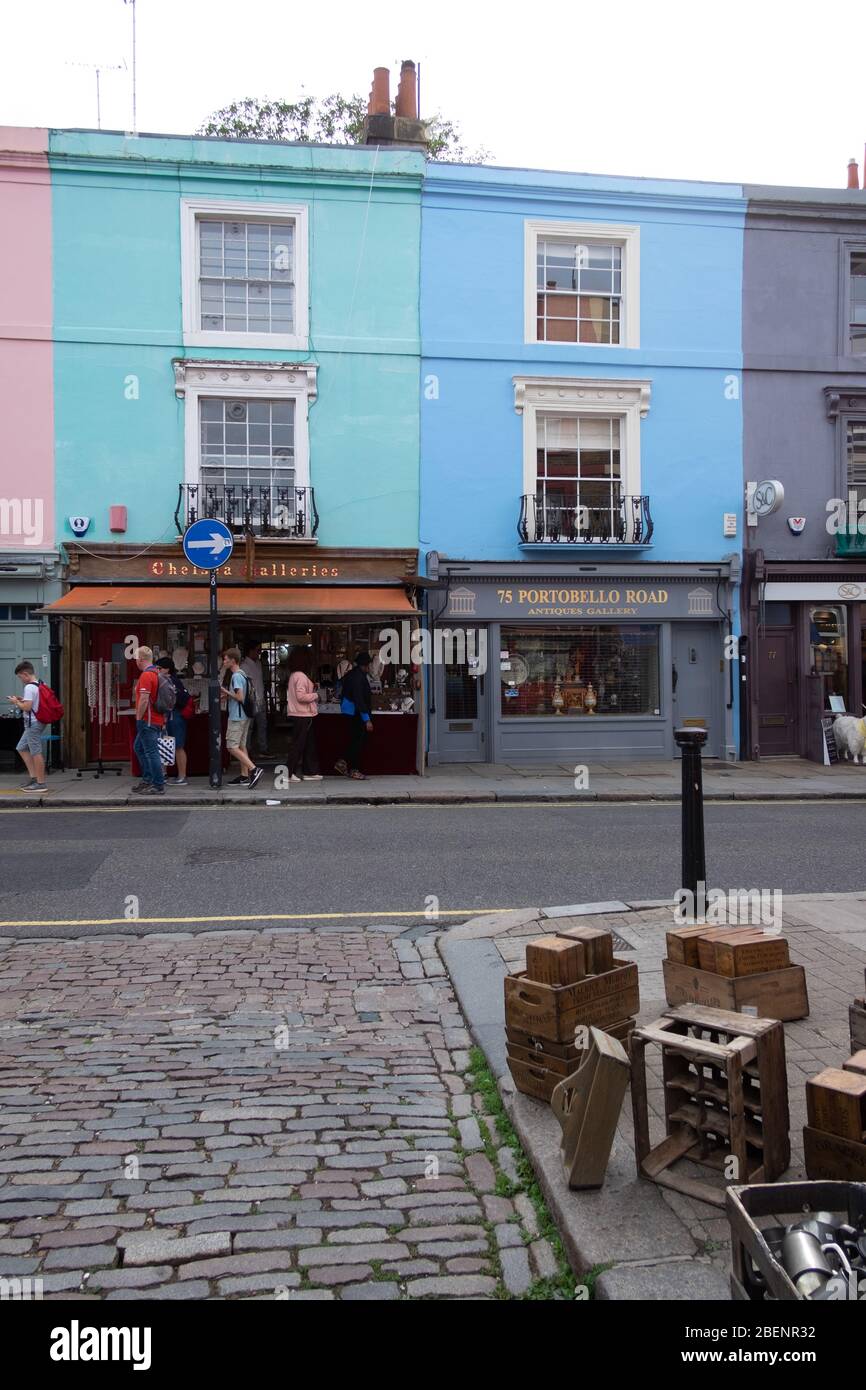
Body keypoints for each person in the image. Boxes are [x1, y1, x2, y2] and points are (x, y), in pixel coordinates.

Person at [220, 647, 263, 789]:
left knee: (232, 747)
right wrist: (229, 694)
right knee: (241, 745)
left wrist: (226, 691)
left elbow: (240, 697)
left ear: (233, 660)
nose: (224, 661)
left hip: (237, 716)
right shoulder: (243, 674)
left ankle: (253, 769)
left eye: (225, 659)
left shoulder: (236, 676)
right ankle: (244, 776)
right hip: (245, 715)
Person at [8, 660, 48, 793]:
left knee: (36, 752)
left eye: (20, 677)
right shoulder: (41, 684)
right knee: (21, 747)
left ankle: (41, 783)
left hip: (33, 723)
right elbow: (35, 702)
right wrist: (22, 699)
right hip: (38, 722)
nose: (21, 680)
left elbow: (27, 707)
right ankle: (34, 778)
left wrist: (15, 702)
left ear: (25, 674)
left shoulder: (29, 687)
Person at [334, 651, 374, 780]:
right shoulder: (358, 677)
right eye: (369, 665)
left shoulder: (353, 675)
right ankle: (353, 769)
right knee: (356, 743)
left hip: (351, 712)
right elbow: (359, 699)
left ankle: (344, 763)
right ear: (366, 665)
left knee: (354, 741)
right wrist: (367, 719)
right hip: (355, 713)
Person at [131, 646, 166, 796]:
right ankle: (147, 779)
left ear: (141, 659)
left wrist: (139, 718)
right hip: (155, 719)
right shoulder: (156, 673)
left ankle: (157, 784)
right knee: (138, 747)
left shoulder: (146, 676)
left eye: (136, 658)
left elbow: (144, 700)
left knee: (152, 752)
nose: (136, 661)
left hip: (148, 720)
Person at [285, 648, 321, 782]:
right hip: (302, 714)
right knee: (299, 745)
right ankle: (289, 773)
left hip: (301, 714)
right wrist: (316, 695)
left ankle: (310, 771)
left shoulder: (294, 675)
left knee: (307, 744)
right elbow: (301, 696)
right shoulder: (300, 676)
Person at [157, 656, 195, 785]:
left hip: (174, 716)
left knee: (178, 746)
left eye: (159, 668)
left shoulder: (169, 681)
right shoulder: (173, 680)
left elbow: (170, 701)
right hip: (174, 715)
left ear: (167, 669)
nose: (157, 670)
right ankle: (167, 774)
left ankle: (182, 776)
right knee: (168, 744)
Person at [241, 641, 269, 756]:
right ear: (251, 651)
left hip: (261, 698)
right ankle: (247, 749)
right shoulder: (244, 666)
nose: (259, 653)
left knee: (262, 725)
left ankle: (263, 748)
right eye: (258, 650)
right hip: (251, 700)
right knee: (249, 727)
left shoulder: (258, 663)